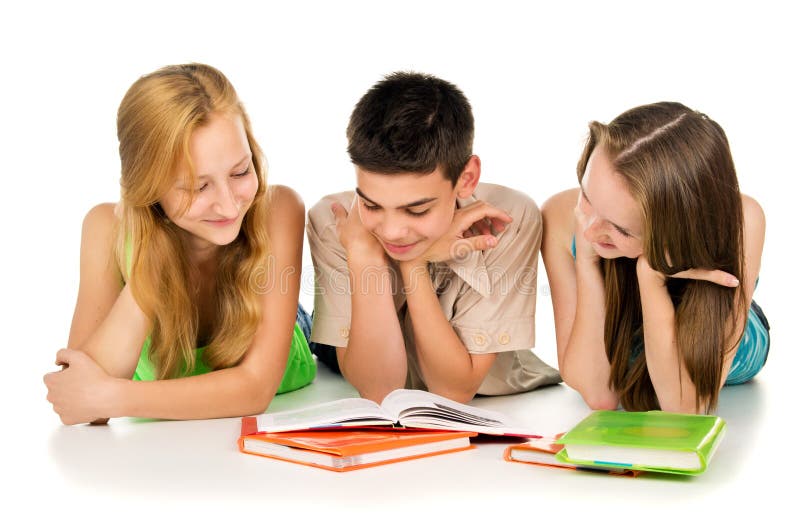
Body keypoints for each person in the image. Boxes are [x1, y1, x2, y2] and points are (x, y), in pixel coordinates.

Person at [44, 63, 316, 425]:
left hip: (280, 321)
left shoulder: (278, 209)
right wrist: (152, 259)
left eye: (240, 172)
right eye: (197, 186)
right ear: (148, 185)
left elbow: (254, 388)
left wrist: (113, 396)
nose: (229, 204)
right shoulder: (105, 228)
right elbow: (80, 403)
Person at [307, 71, 560, 404]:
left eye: (416, 211)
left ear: (466, 179)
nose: (393, 230)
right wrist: (363, 254)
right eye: (371, 204)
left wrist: (413, 263)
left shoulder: (508, 219)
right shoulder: (335, 221)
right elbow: (380, 391)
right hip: (352, 354)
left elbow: (453, 391)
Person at [541, 102, 769, 414]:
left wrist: (650, 276)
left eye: (619, 228)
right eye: (588, 196)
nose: (591, 230)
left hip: (717, 329)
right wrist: (587, 261)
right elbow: (599, 394)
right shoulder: (562, 216)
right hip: (625, 327)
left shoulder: (745, 219)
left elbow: (684, 409)